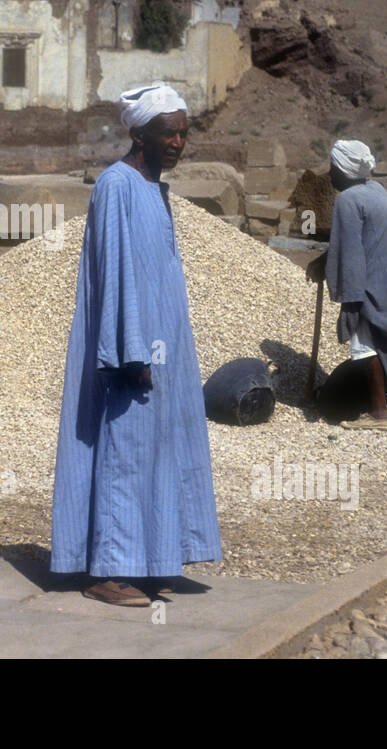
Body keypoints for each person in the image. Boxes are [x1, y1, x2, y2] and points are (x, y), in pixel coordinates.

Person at [50, 83, 222, 607]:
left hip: (164, 346)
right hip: (129, 349)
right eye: (167, 133)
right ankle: (107, 570)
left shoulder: (153, 189)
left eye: (183, 133)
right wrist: (128, 354)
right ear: (139, 135)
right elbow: (115, 276)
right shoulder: (116, 186)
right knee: (124, 451)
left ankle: (153, 559)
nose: (178, 142)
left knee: (160, 448)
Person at [306, 139, 387, 429]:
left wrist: (350, 300)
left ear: (343, 170)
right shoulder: (378, 191)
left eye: (332, 168)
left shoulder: (348, 200)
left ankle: (378, 415)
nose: (329, 174)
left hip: (372, 283)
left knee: (366, 342)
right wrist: (324, 261)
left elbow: (351, 254)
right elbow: (356, 241)